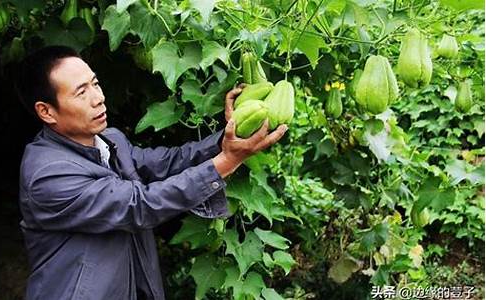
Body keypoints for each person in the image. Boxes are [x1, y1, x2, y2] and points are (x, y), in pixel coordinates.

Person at [15, 45, 287, 300]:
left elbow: (168, 163)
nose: (98, 98)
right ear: (46, 111)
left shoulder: (110, 140)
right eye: (81, 92)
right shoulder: (48, 175)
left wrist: (227, 137)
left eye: (95, 84)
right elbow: (139, 205)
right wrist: (227, 161)